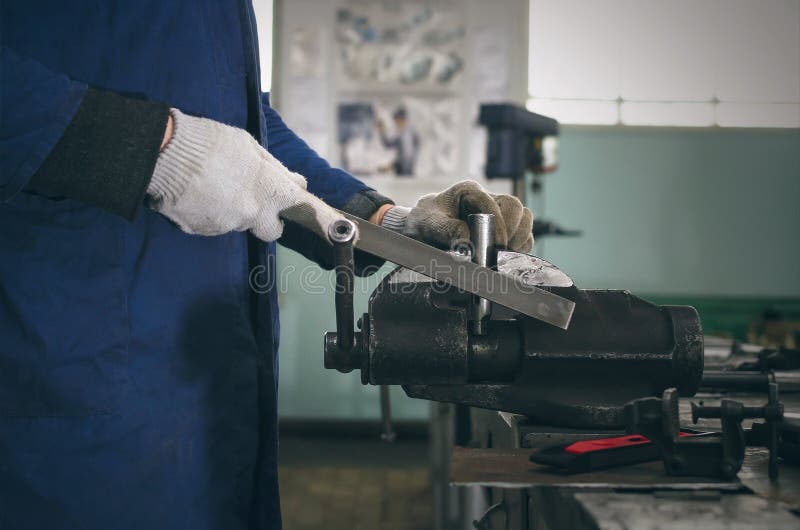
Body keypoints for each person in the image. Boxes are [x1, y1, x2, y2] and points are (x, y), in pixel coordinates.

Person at [0, 3, 533, 529]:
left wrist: (383, 224)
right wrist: (154, 149)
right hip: (66, 362)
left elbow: (247, 129)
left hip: (207, 383)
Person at [377, 106, 420, 176]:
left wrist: (391, 166)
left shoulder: (410, 136)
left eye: (397, 121)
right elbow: (387, 145)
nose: (396, 124)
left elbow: (407, 157)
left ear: (403, 120)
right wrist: (382, 132)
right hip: (402, 171)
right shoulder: (399, 136)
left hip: (407, 171)